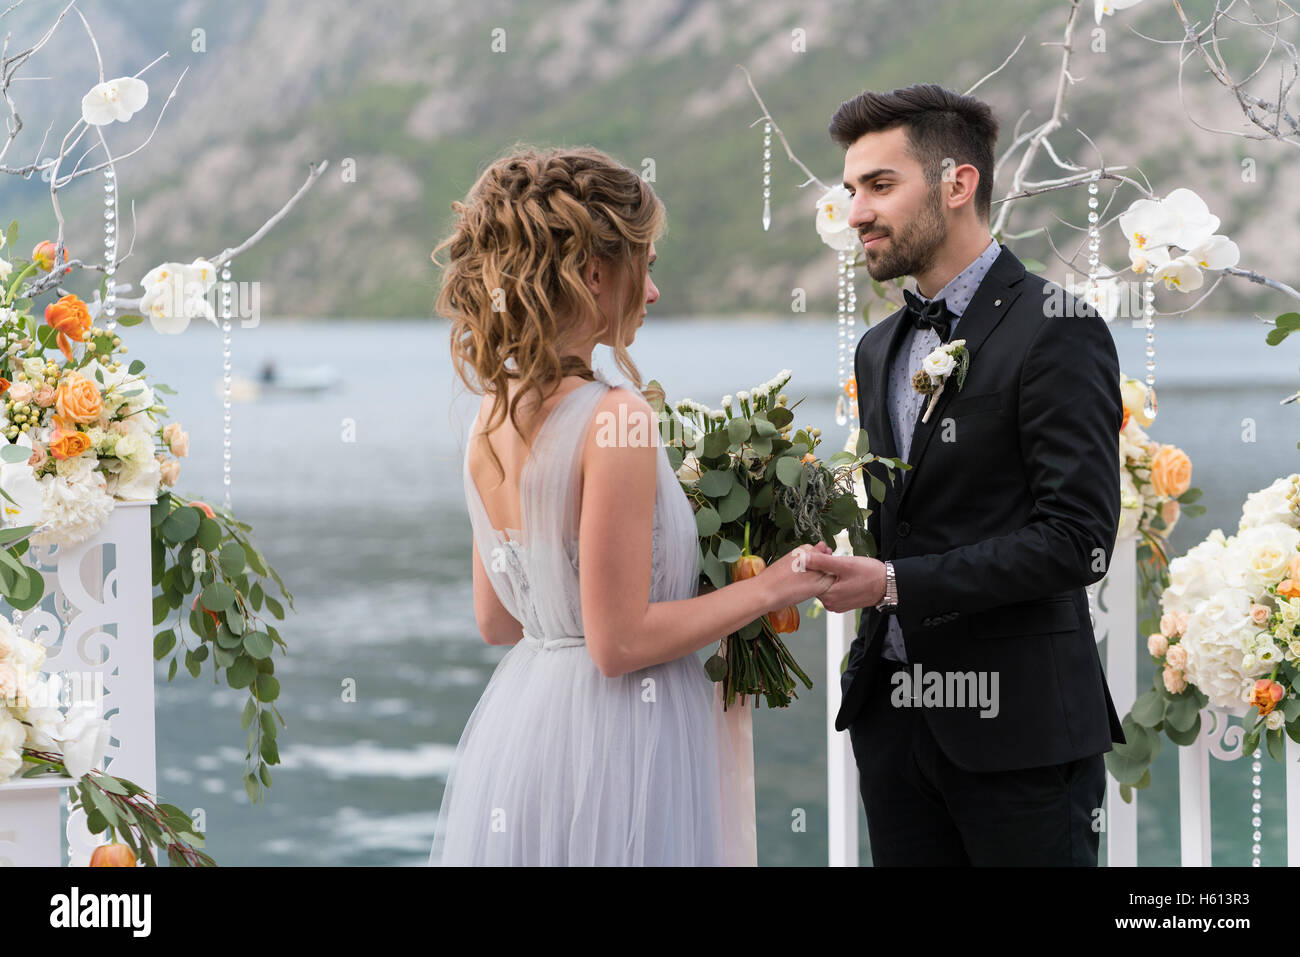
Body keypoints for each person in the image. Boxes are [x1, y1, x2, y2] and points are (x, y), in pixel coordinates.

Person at [428, 144, 834, 866]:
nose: (651, 292)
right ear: (593, 273)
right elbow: (619, 644)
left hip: (528, 733)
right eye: (644, 263)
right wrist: (768, 585)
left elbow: (496, 621)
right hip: (624, 741)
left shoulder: (490, 417)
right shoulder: (614, 415)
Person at [801, 84, 1126, 866]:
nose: (855, 213)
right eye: (851, 191)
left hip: (1021, 737)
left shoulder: (1059, 329)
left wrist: (890, 582)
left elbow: (1076, 539)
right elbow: (907, 514)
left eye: (880, 185)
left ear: (957, 184)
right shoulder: (877, 347)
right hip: (895, 727)